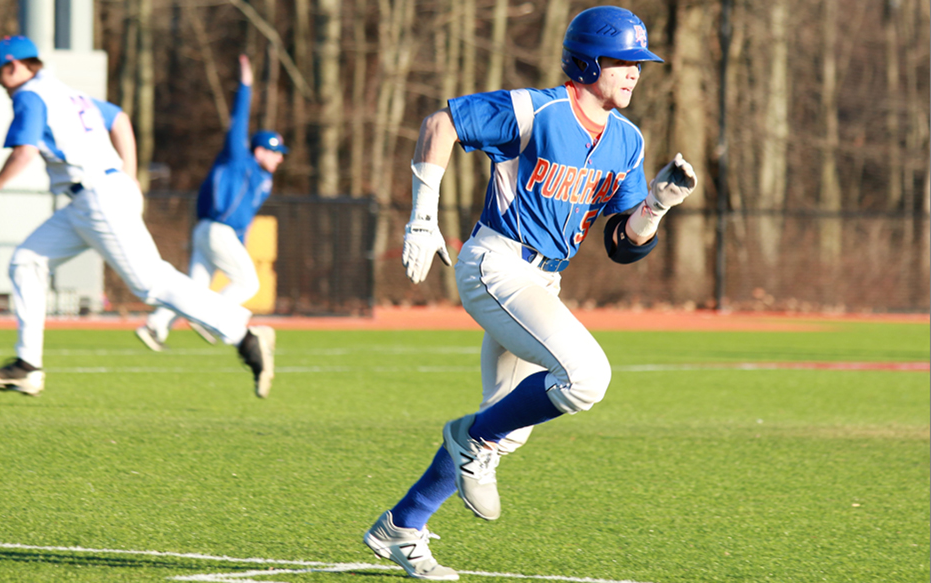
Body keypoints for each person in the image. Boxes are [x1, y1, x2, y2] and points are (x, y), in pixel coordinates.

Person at [362, 7, 697, 580]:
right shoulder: (535, 110)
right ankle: (470, 439)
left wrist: (658, 205)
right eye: (622, 61)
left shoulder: (627, 140)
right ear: (587, 61)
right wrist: (422, 217)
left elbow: (622, 243)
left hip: (542, 280)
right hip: (496, 264)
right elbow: (440, 124)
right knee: (585, 378)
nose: (635, 72)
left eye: (639, 63)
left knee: (507, 429)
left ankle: (402, 524)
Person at [0, 36, 275, 399]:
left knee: (151, 283)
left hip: (97, 195)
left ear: (16, 66)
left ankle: (243, 335)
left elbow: (24, 153)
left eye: (0, 73)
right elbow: (120, 119)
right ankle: (27, 367)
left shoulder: (30, 95)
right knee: (26, 262)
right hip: (92, 197)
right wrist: (129, 176)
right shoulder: (64, 92)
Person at [136, 54, 285, 364]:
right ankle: (211, 316)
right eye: (274, 151)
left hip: (214, 231)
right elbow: (239, 123)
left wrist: (241, 242)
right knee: (248, 283)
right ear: (259, 150)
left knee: (192, 288)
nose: (279, 157)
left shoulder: (264, 180)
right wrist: (246, 86)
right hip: (216, 229)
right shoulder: (238, 158)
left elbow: (245, 219)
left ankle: (154, 326)